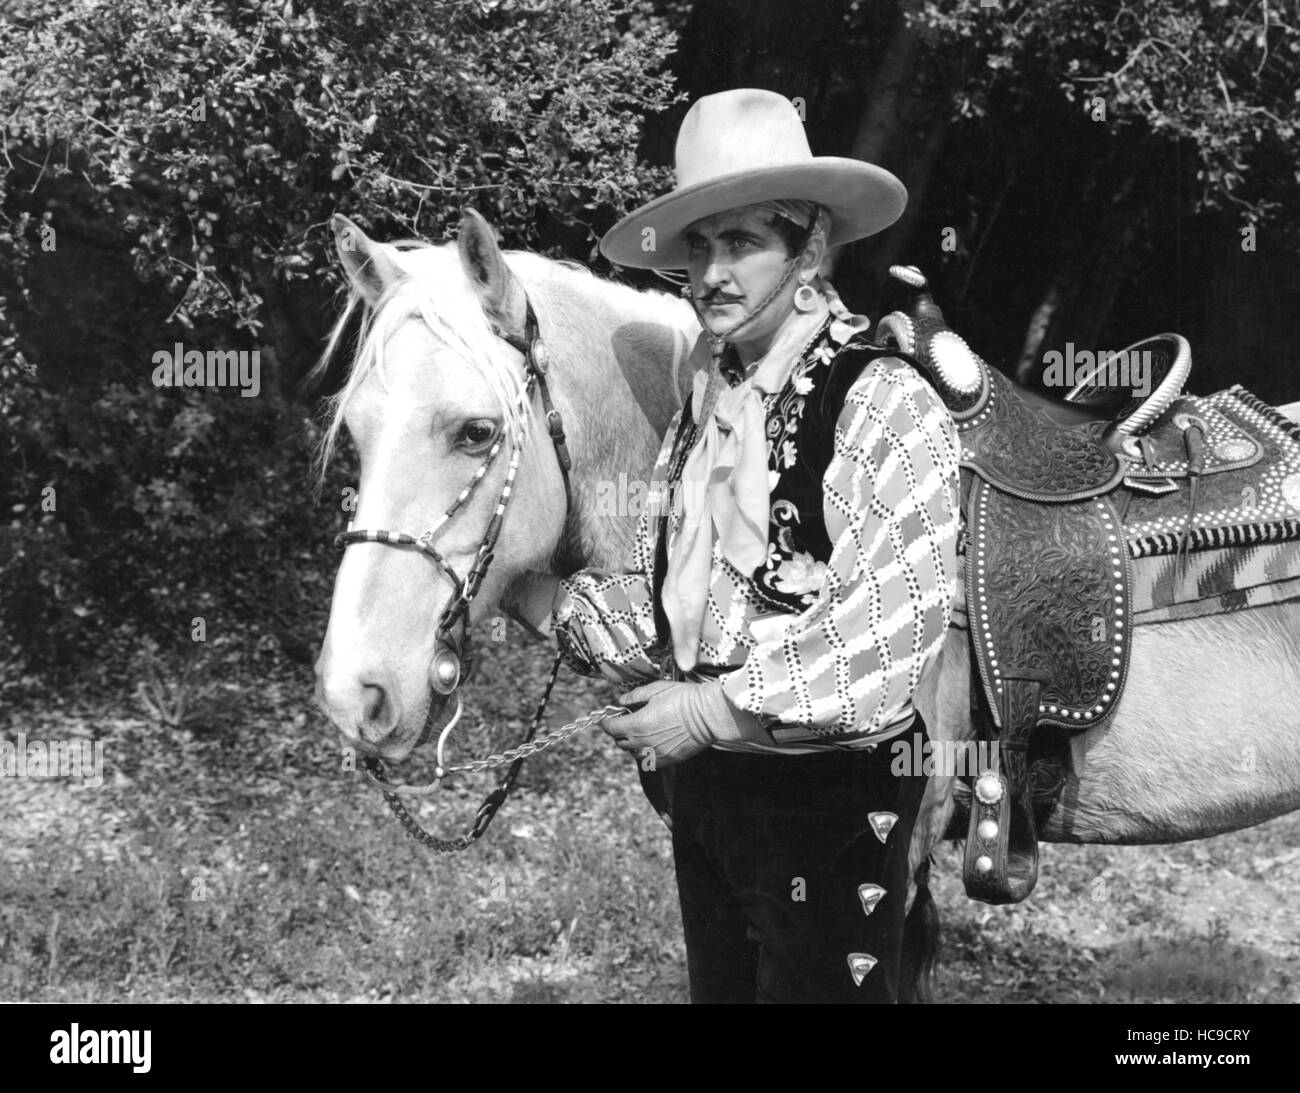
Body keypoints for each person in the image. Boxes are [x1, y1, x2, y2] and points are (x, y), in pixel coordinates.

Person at [525, 89, 961, 1003]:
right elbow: (659, 606)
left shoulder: (884, 400)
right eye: (699, 247)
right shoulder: (707, 409)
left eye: (741, 243)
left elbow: (883, 640)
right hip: (712, 799)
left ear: (809, 248)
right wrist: (526, 596)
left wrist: (704, 715)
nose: (712, 274)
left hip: (830, 804)